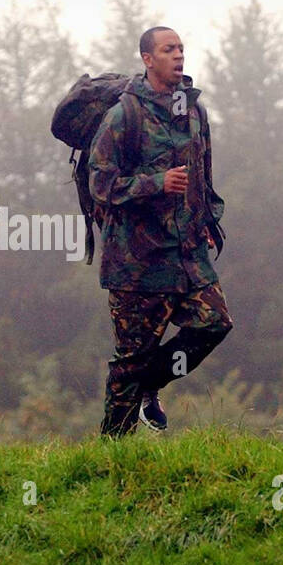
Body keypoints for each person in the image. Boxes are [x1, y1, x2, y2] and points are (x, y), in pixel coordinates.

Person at [88, 27, 233, 436]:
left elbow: (203, 176)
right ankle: (111, 448)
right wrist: (155, 183)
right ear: (148, 59)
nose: (179, 55)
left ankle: (151, 385)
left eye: (182, 48)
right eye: (169, 50)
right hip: (136, 261)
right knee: (130, 359)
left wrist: (206, 220)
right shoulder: (124, 115)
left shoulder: (194, 111)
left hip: (187, 254)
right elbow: (100, 184)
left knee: (214, 324)